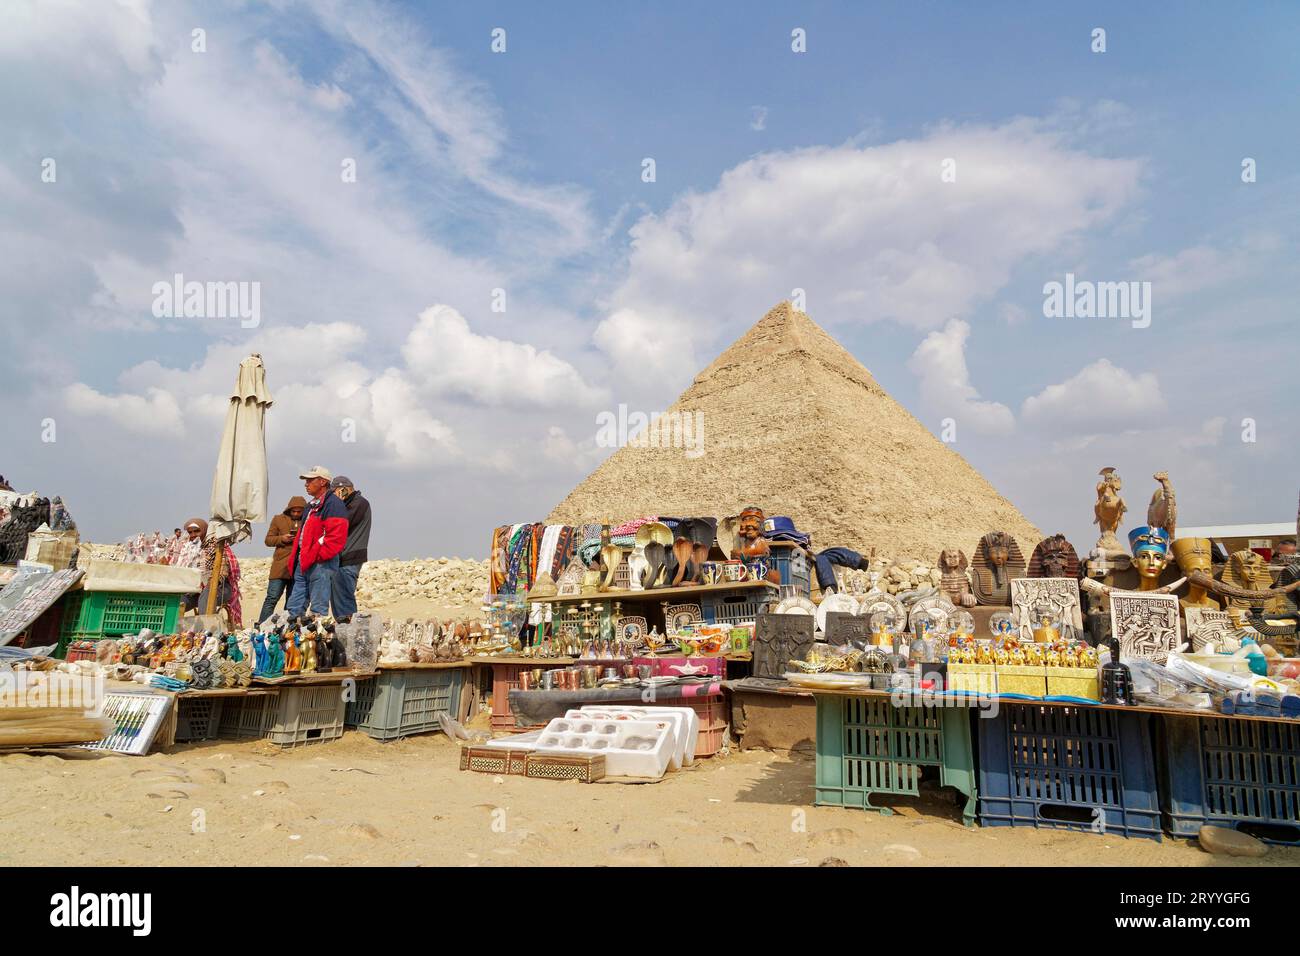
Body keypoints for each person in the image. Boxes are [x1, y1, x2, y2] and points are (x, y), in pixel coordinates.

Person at [285, 466, 348, 619]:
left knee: (318, 606)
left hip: (321, 561)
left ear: (322, 482)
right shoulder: (310, 505)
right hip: (305, 558)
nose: (306, 484)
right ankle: (292, 632)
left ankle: (315, 637)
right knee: (295, 604)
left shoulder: (333, 504)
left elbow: (335, 537)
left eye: (310, 480)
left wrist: (318, 555)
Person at [258, 495, 306, 624]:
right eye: (293, 511)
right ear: (289, 509)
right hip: (280, 566)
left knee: (293, 600)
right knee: (272, 598)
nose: (296, 514)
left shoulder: (308, 520)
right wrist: (282, 539)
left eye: (299, 511)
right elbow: (268, 540)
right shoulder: (278, 519)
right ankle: (262, 626)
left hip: (298, 566)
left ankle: (287, 629)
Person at [330, 476, 371, 623]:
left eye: (335, 492)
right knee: (338, 598)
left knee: (344, 599)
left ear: (343, 489)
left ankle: (350, 634)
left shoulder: (360, 503)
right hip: (342, 558)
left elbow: (341, 524)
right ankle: (344, 632)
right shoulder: (349, 504)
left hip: (350, 557)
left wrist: (337, 504)